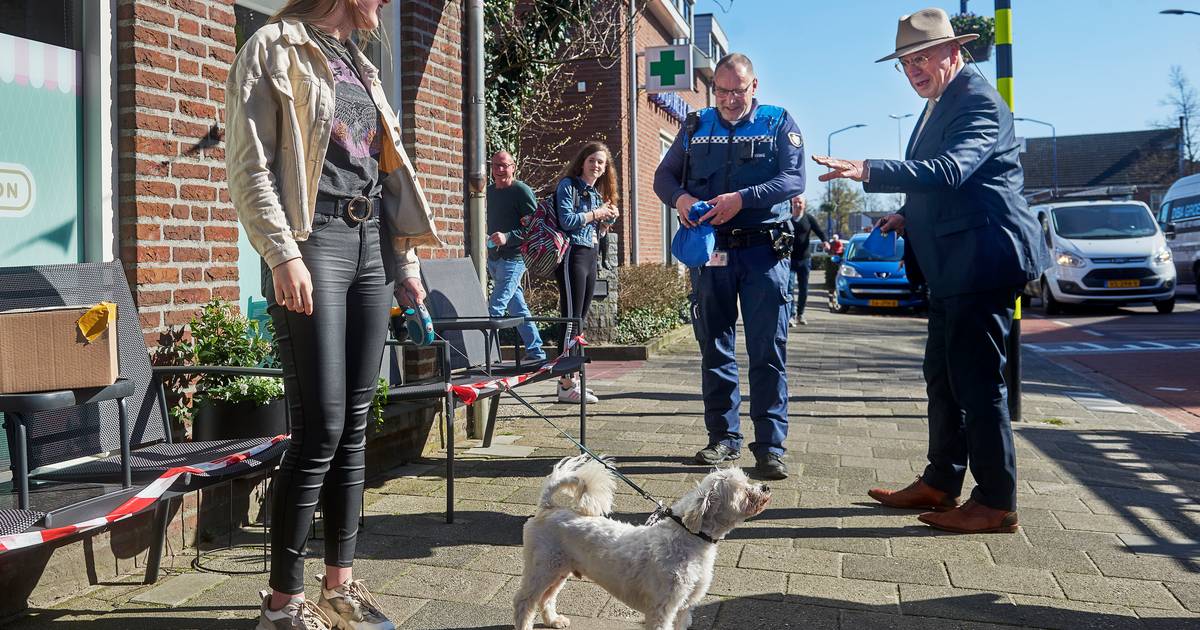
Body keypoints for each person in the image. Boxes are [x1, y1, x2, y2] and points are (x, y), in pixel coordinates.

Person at [226, 0, 440, 627]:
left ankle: (338, 586)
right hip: (312, 239)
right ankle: (281, 604)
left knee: (354, 424)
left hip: (371, 242)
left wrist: (405, 264)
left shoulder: (360, 63)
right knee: (319, 426)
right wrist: (281, 253)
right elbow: (249, 162)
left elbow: (384, 169)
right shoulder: (272, 46)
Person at [813, 7, 1048, 534]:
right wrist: (906, 214)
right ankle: (941, 482)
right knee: (942, 379)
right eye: (906, 62)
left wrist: (867, 169)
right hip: (950, 265)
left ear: (954, 51)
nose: (914, 70)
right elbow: (947, 187)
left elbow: (949, 170)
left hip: (983, 260)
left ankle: (997, 502)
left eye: (922, 57)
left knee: (977, 383)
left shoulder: (977, 100)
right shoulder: (940, 103)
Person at [653, 53, 805, 480]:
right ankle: (722, 439)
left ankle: (770, 447)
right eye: (721, 91)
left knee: (767, 351)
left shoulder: (778, 122)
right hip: (711, 253)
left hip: (763, 252)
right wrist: (681, 199)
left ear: (754, 86)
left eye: (738, 90)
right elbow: (664, 177)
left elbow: (793, 179)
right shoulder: (695, 125)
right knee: (714, 348)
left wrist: (743, 199)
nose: (729, 99)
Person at [554, 141, 620, 403]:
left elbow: (595, 232)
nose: (596, 165)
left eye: (601, 162)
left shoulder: (595, 193)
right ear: (582, 162)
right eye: (592, 160)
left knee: (580, 320)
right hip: (573, 256)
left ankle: (575, 379)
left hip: (590, 255)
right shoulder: (568, 186)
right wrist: (597, 213)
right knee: (570, 320)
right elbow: (567, 220)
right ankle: (565, 383)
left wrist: (606, 221)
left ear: (605, 168)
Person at [486, 150, 547, 363]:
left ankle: (484, 358)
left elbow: (536, 227)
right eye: (496, 165)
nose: (500, 169)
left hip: (515, 258)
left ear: (513, 167)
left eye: (505, 165)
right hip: (494, 259)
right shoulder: (488, 192)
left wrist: (508, 236)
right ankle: (536, 352)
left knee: (494, 309)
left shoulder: (521, 191)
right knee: (518, 309)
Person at [786, 196, 829, 326]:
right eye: (795, 202)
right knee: (789, 287)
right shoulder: (787, 219)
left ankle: (800, 314)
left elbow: (819, 231)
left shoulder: (808, 218)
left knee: (803, 288)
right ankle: (791, 315)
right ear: (791, 204)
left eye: (800, 202)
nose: (797, 204)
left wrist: (825, 242)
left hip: (804, 259)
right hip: (789, 259)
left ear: (804, 205)